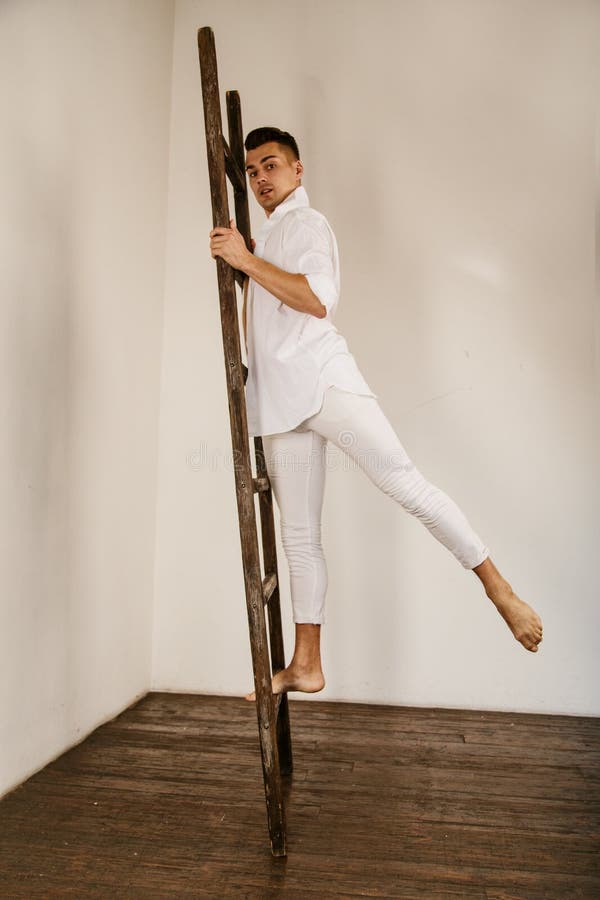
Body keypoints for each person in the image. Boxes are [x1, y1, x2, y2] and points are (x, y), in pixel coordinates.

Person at [209, 126, 543, 700]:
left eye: (271, 166)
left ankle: (499, 589)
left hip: (326, 382)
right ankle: (307, 663)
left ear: (297, 171)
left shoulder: (307, 224)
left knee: (406, 485)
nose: (261, 178)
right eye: (252, 172)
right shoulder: (272, 235)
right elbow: (267, 311)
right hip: (281, 399)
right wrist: (251, 262)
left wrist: (245, 258)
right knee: (298, 538)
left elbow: (317, 297)